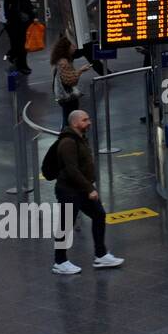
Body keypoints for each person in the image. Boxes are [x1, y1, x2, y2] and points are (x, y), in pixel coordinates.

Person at [51, 110, 124, 275]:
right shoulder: (68, 142)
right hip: (69, 191)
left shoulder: (80, 138)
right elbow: (71, 170)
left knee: (99, 215)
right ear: (75, 123)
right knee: (65, 226)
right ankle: (60, 261)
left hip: (81, 188)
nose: (89, 122)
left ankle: (101, 255)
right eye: (85, 120)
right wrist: (90, 188)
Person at [50, 35, 90, 129]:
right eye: (72, 46)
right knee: (69, 120)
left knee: (67, 118)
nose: (74, 47)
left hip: (64, 97)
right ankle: (67, 137)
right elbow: (70, 81)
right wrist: (80, 71)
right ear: (66, 48)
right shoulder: (64, 62)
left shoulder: (60, 60)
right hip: (68, 98)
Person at [2, 0, 35, 73]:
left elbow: (6, 5)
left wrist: (7, 18)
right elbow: (27, 4)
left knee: (17, 44)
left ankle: (15, 59)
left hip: (14, 21)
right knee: (21, 45)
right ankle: (20, 63)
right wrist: (33, 16)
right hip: (20, 21)